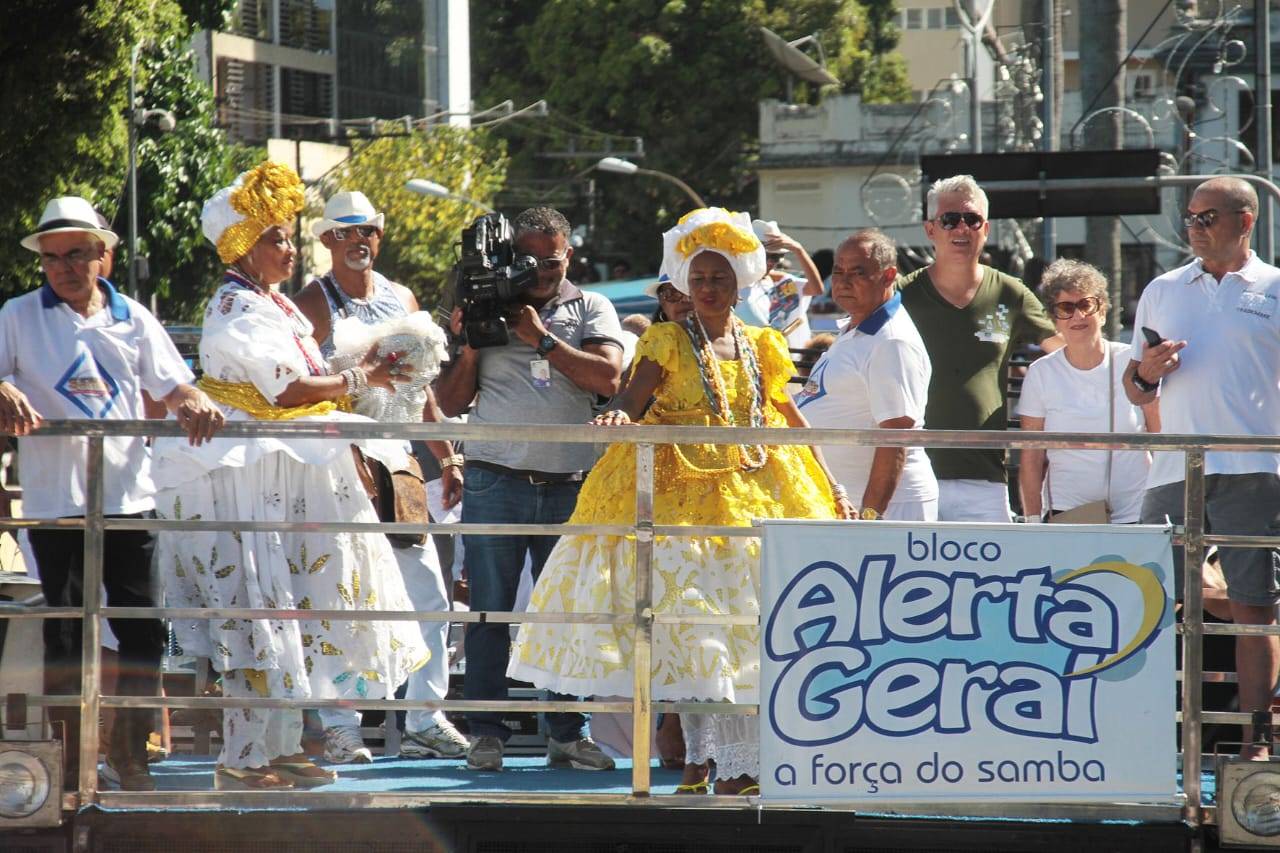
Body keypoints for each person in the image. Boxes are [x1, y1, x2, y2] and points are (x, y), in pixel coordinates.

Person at [507, 207, 855, 796]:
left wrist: (830, 483)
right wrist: (620, 415)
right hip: (679, 499)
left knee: (746, 629)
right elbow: (631, 400)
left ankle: (735, 767)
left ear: (739, 283)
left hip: (755, 494)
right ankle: (711, 765)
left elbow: (785, 416)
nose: (709, 289)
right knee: (698, 631)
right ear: (686, 286)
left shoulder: (764, 344)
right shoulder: (666, 339)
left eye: (719, 279)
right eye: (698, 279)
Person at [152, 161, 429, 790]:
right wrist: (366, 379)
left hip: (285, 472)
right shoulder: (236, 305)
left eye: (286, 235)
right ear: (243, 245)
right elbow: (285, 390)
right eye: (275, 237)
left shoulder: (272, 302)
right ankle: (244, 757)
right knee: (257, 612)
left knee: (292, 613)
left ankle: (278, 748)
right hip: (247, 474)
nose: (287, 247)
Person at [0, 195, 224, 790]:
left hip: (128, 495)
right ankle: (72, 763)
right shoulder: (17, 315)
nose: (64, 268)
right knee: (67, 631)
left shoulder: (134, 317)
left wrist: (193, 401)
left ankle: (130, 754)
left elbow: (175, 386)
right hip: (55, 501)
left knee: (143, 629)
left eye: (76, 254)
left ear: (104, 254)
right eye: (51, 258)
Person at [435, 206, 624, 772]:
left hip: (571, 485)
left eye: (553, 259)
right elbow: (448, 403)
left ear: (570, 254)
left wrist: (540, 339)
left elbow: (609, 379)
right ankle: (485, 734)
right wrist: (471, 342)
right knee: (490, 614)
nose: (542, 269)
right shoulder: (484, 302)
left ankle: (568, 733)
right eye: (531, 259)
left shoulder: (592, 306)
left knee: (568, 614)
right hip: (496, 479)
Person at [294, 190, 469, 764]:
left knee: (428, 595)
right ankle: (340, 727)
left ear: (379, 236)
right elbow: (299, 392)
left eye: (367, 231)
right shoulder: (311, 302)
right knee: (340, 595)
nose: (358, 241)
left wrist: (448, 457)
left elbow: (420, 393)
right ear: (326, 241)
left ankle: (424, 716)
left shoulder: (402, 298)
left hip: (396, 466)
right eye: (345, 233)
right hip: (336, 464)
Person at [1123, 176, 1280, 758]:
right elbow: (1135, 391)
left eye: (1206, 217)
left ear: (1245, 222)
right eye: (1189, 216)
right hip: (1173, 469)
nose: (1193, 227)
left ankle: (1254, 743)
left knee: (1252, 605)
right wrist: (1146, 373)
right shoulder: (1163, 289)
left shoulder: (1275, 288)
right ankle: (1137, 736)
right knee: (1146, 600)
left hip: (1254, 467)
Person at [897, 174, 1062, 522]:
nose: (962, 227)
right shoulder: (900, 296)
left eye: (972, 219)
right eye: (949, 219)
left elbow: (1066, 350)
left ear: (985, 230)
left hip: (986, 480)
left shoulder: (1010, 293)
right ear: (930, 230)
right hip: (910, 475)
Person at [797, 228, 938, 520]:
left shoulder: (891, 341)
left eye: (857, 273)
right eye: (838, 272)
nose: (844, 281)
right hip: (848, 505)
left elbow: (895, 436)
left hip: (885, 510)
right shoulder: (858, 327)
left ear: (888, 276)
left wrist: (870, 517)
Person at [1017, 259, 1158, 523]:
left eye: (1086, 305)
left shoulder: (1134, 362)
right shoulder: (1041, 373)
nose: (1078, 316)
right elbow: (1032, 456)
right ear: (1053, 319)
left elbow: (1162, 438)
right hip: (1068, 512)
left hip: (1138, 512)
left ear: (1102, 311)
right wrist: (1033, 521)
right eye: (1065, 308)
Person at [736, 220, 825, 347]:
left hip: (790, 358)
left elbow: (816, 289)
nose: (772, 262)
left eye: (777, 257)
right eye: (768, 256)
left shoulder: (782, 283)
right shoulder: (737, 284)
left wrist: (798, 249)